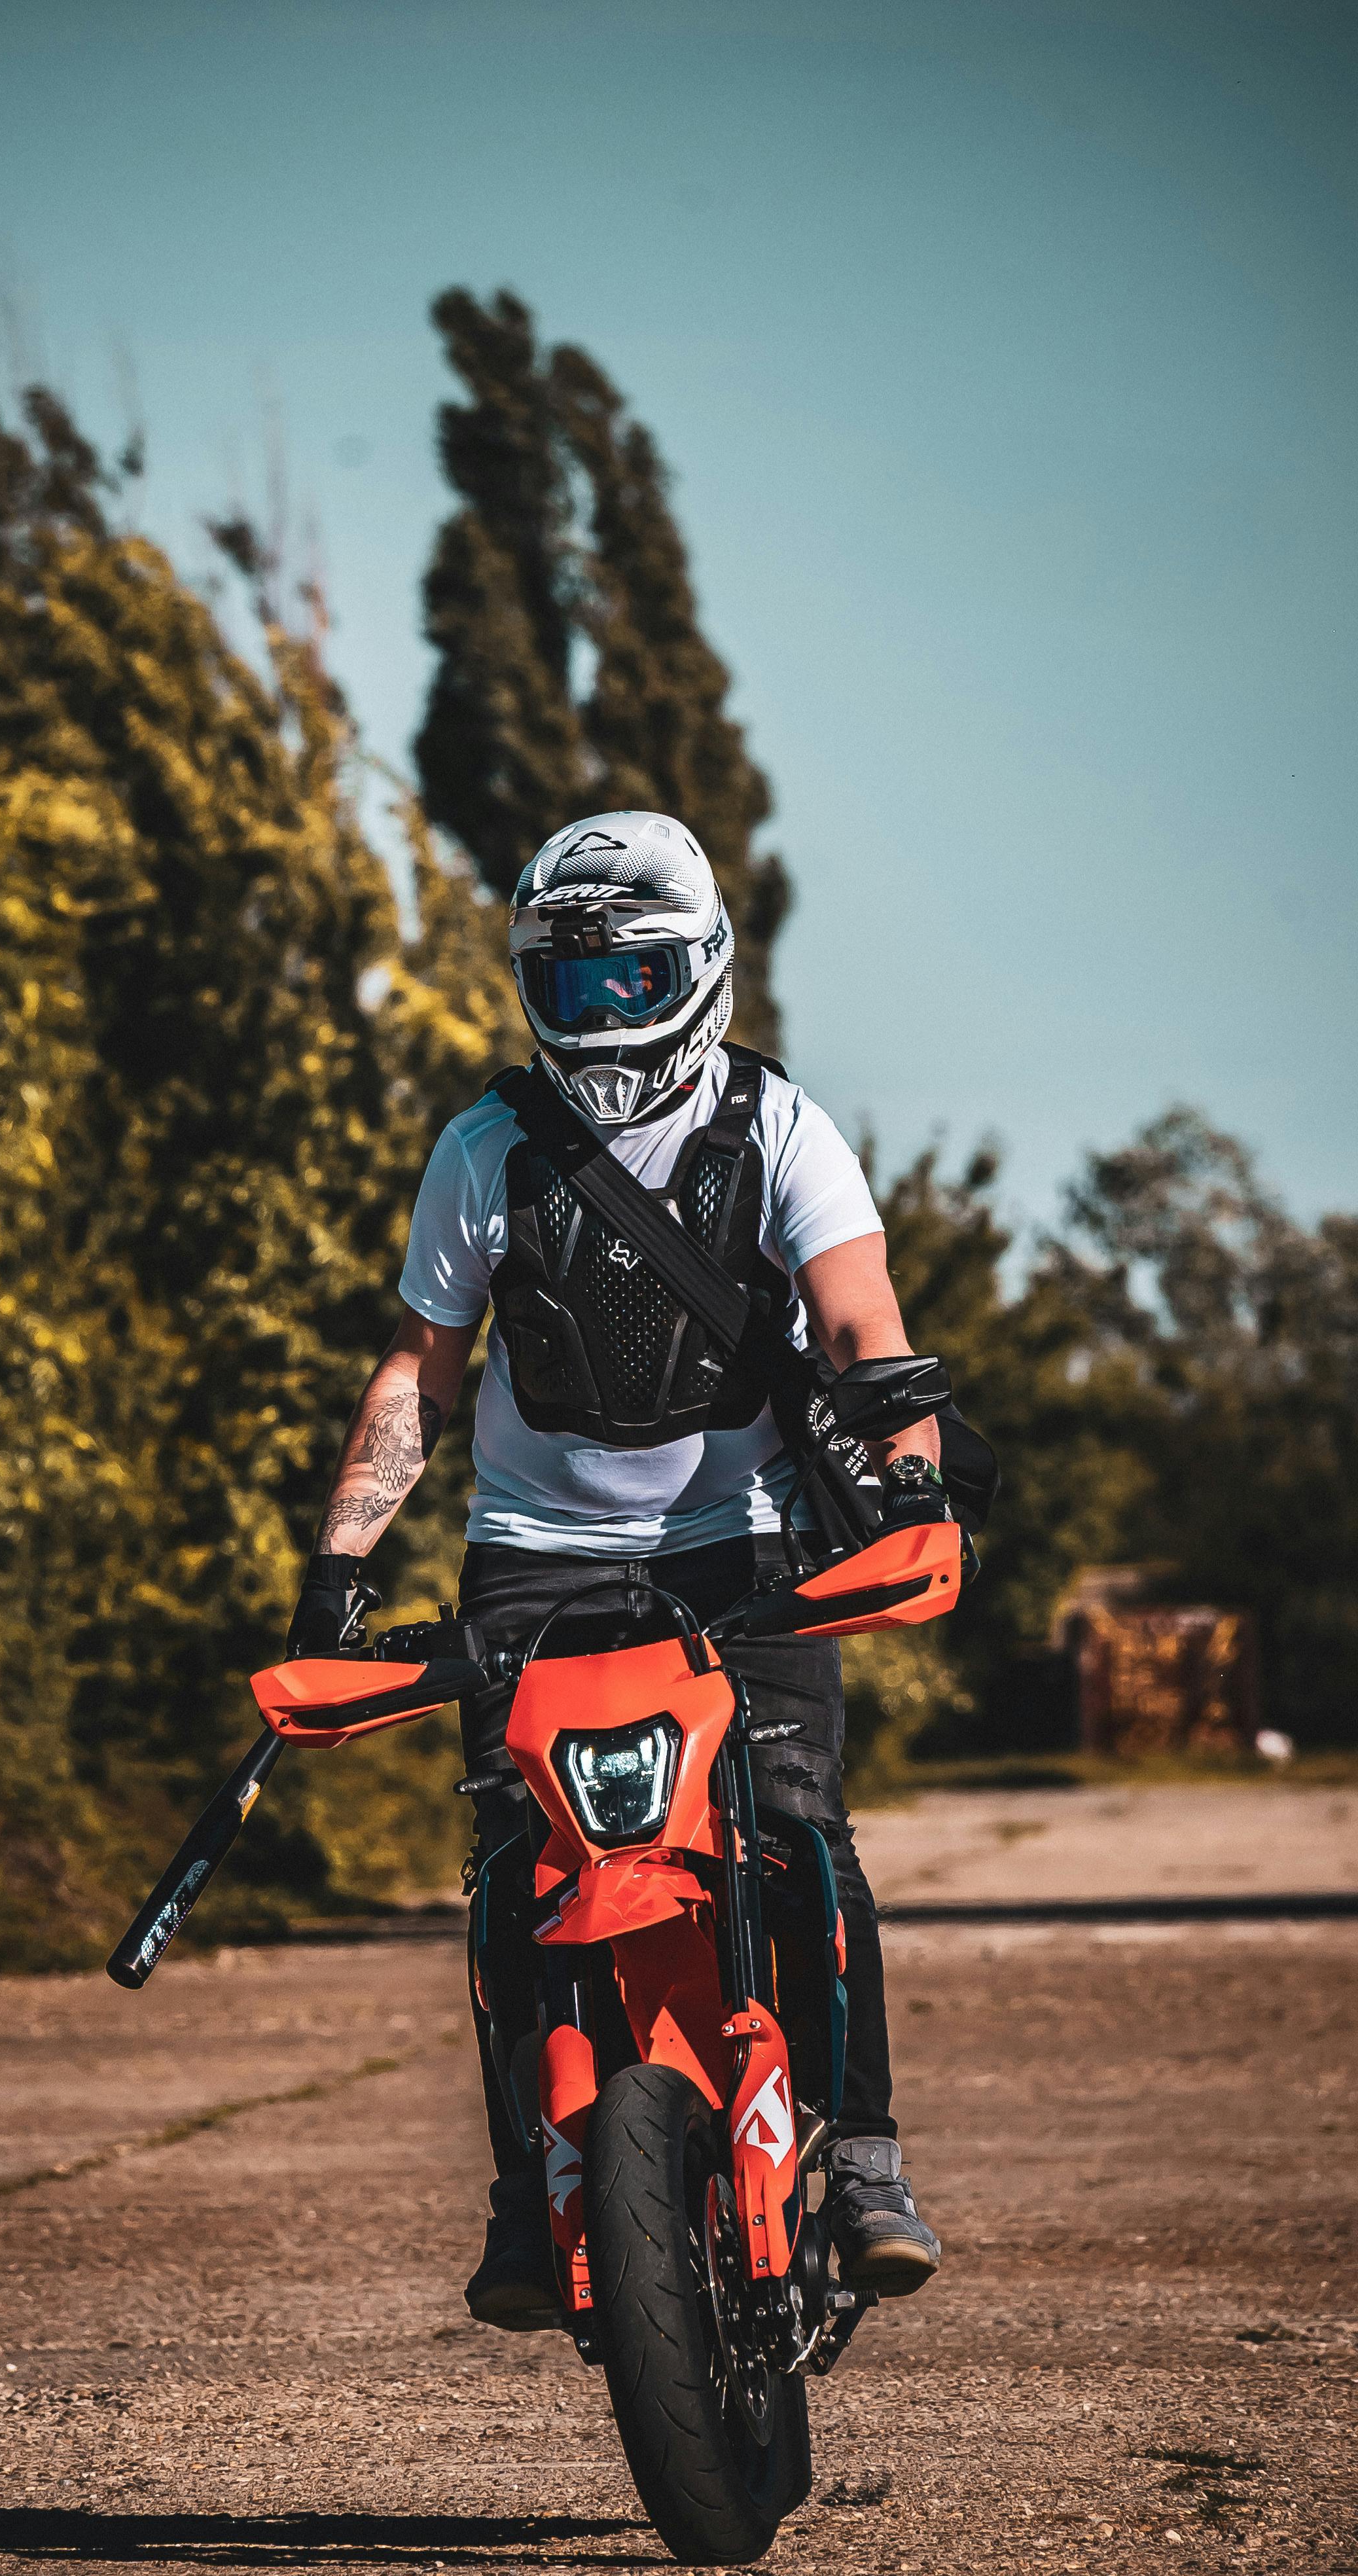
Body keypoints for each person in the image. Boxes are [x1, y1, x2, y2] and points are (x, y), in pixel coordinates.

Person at [287, 810, 945, 2331]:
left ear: (702, 967)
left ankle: (859, 2156)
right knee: (519, 1880)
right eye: (572, 988)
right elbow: (417, 1376)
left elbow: (859, 1317)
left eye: (633, 981)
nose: (604, 1018)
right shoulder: (486, 1150)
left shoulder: (779, 1130)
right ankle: (533, 2187)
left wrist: (911, 1477)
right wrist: (340, 1568)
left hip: (744, 1552)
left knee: (797, 1833)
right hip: (530, 1563)